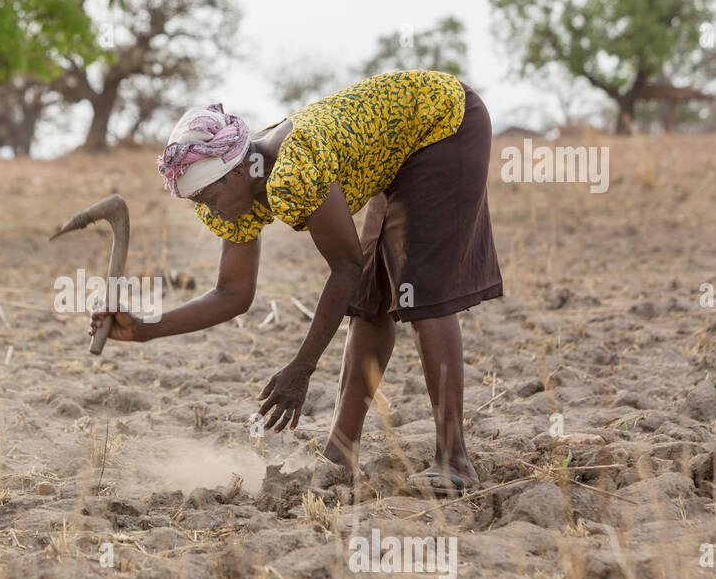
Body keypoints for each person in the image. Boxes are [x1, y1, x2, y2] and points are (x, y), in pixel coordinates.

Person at [90, 69, 501, 496]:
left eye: (209, 197)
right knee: (370, 300)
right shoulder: (236, 189)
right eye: (198, 202)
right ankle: (340, 456)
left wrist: (301, 369)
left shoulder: (291, 168)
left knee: (422, 292)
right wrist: (143, 329)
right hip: (399, 149)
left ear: (235, 172)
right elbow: (233, 293)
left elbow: (345, 266)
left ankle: (455, 461)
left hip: (445, 121)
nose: (208, 211)